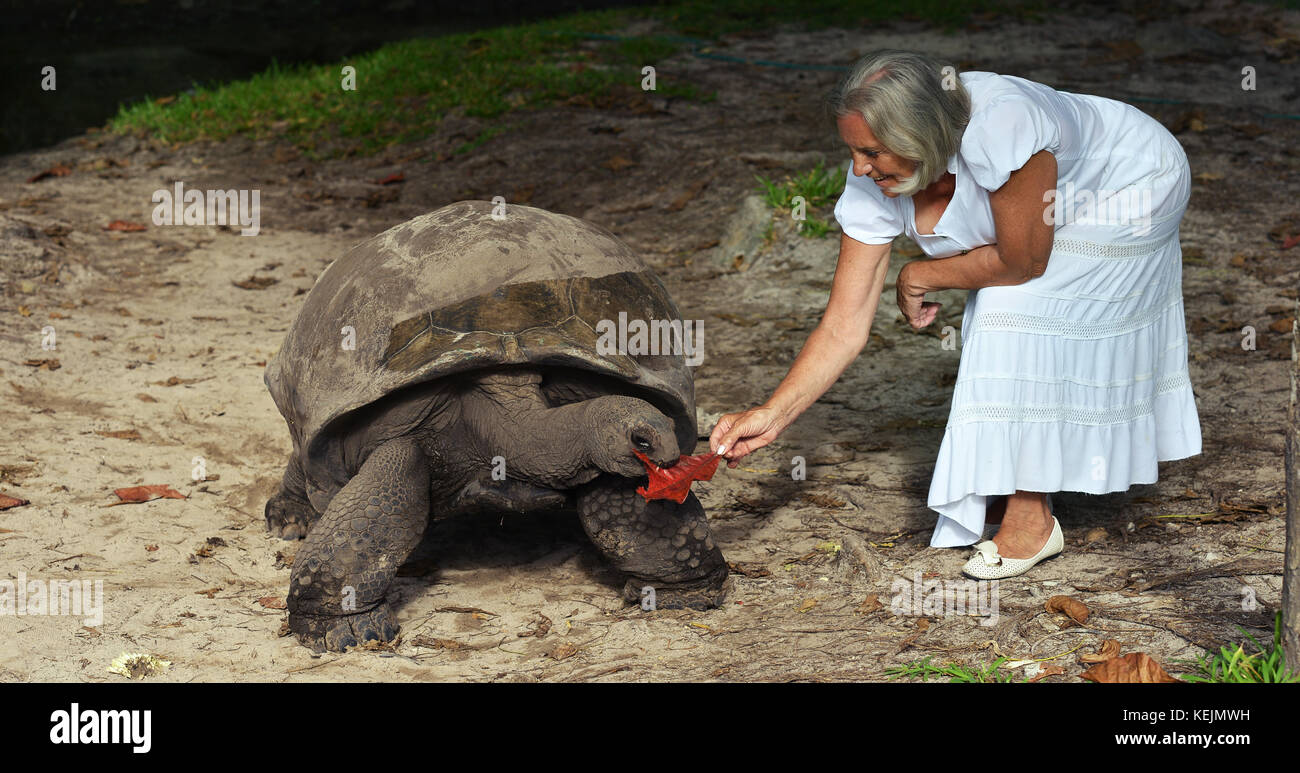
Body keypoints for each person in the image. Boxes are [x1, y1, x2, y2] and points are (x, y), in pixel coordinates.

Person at [708, 49, 1201, 579]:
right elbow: (843, 324)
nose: (857, 167)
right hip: (1048, 213)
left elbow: (1023, 261)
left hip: (1128, 185)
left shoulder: (1004, 130)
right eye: (852, 149)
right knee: (1005, 309)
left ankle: (1032, 518)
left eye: (872, 150)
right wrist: (773, 414)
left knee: (1009, 307)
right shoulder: (873, 180)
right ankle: (1015, 471)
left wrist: (919, 274)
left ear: (924, 135)